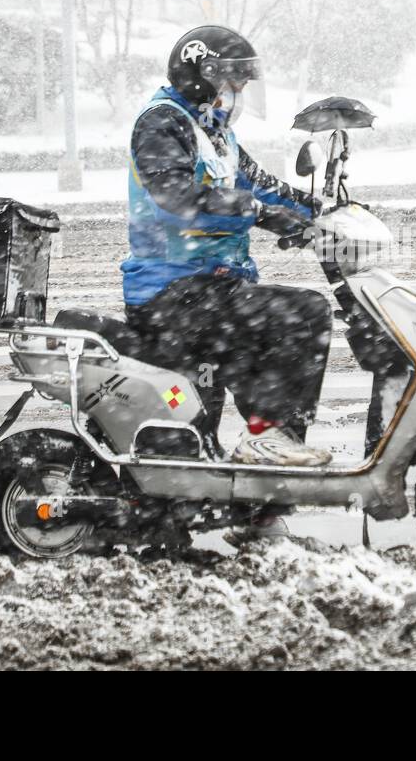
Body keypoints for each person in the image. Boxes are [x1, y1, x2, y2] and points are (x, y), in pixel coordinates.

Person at [121, 26, 334, 496]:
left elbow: (261, 185)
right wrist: (256, 213)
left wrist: (323, 211)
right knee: (304, 314)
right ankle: (267, 443)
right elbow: (174, 195)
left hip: (215, 290)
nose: (237, 93)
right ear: (202, 75)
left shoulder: (216, 134)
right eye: (232, 82)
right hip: (172, 292)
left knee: (252, 395)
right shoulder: (163, 122)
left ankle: (262, 501)